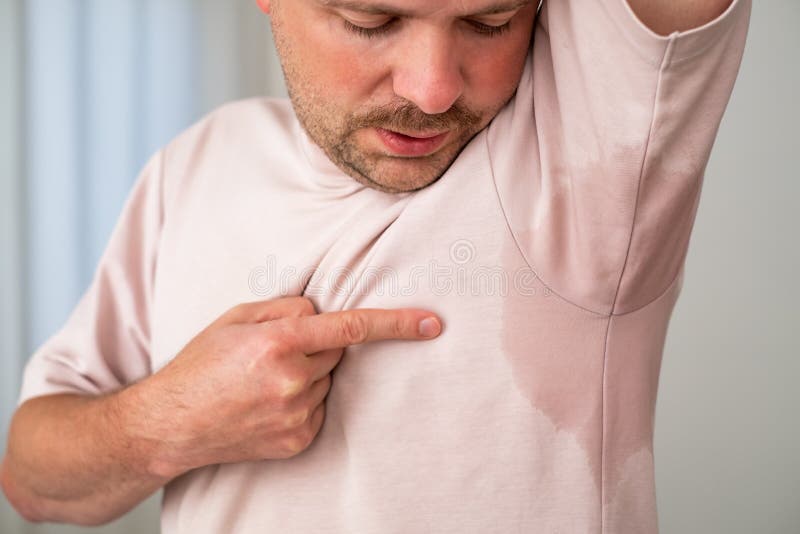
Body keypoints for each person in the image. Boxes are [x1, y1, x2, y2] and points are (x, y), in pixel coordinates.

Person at [1, 0, 751, 532]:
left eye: (491, 22)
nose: (434, 88)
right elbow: (30, 478)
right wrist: (178, 419)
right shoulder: (193, 166)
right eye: (371, 20)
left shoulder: (583, 163)